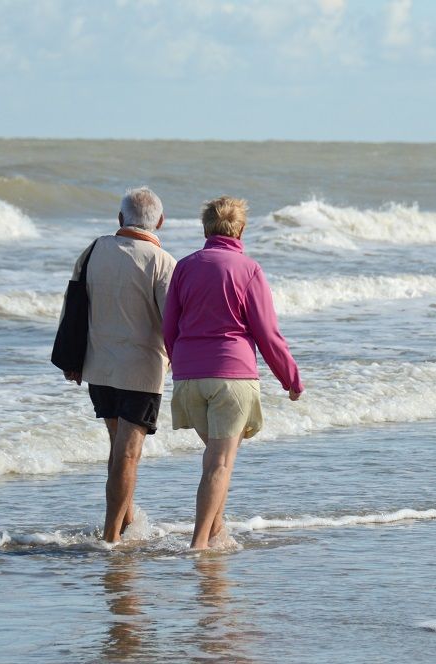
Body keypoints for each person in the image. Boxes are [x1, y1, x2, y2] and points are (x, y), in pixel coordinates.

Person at [162, 196, 304, 550]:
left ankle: (216, 533)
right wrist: (290, 378)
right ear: (240, 228)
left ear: (206, 228)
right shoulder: (249, 269)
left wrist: (179, 364)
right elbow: (266, 333)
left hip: (189, 379)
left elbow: (169, 327)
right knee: (220, 464)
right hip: (232, 378)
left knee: (215, 461)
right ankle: (198, 545)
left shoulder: (184, 267)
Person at [61, 187, 176, 543]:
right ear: (159, 221)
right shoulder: (162, 262)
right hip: (142, 370)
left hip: (98, 367)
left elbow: (73, 307)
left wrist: (71, 358)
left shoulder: (94, 250)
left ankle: (124, 524)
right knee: (128, 454)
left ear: (120, 218)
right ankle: (111, 539)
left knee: (118, 450)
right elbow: (172, 323)